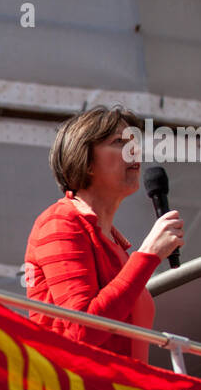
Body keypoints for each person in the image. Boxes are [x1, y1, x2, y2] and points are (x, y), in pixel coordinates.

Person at [24, 105, 184, 363]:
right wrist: (147, 256)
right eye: (119, 142)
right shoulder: (60, 222)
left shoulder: (114, 243)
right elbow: (81, 329)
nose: (135, 150)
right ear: (85, 160)